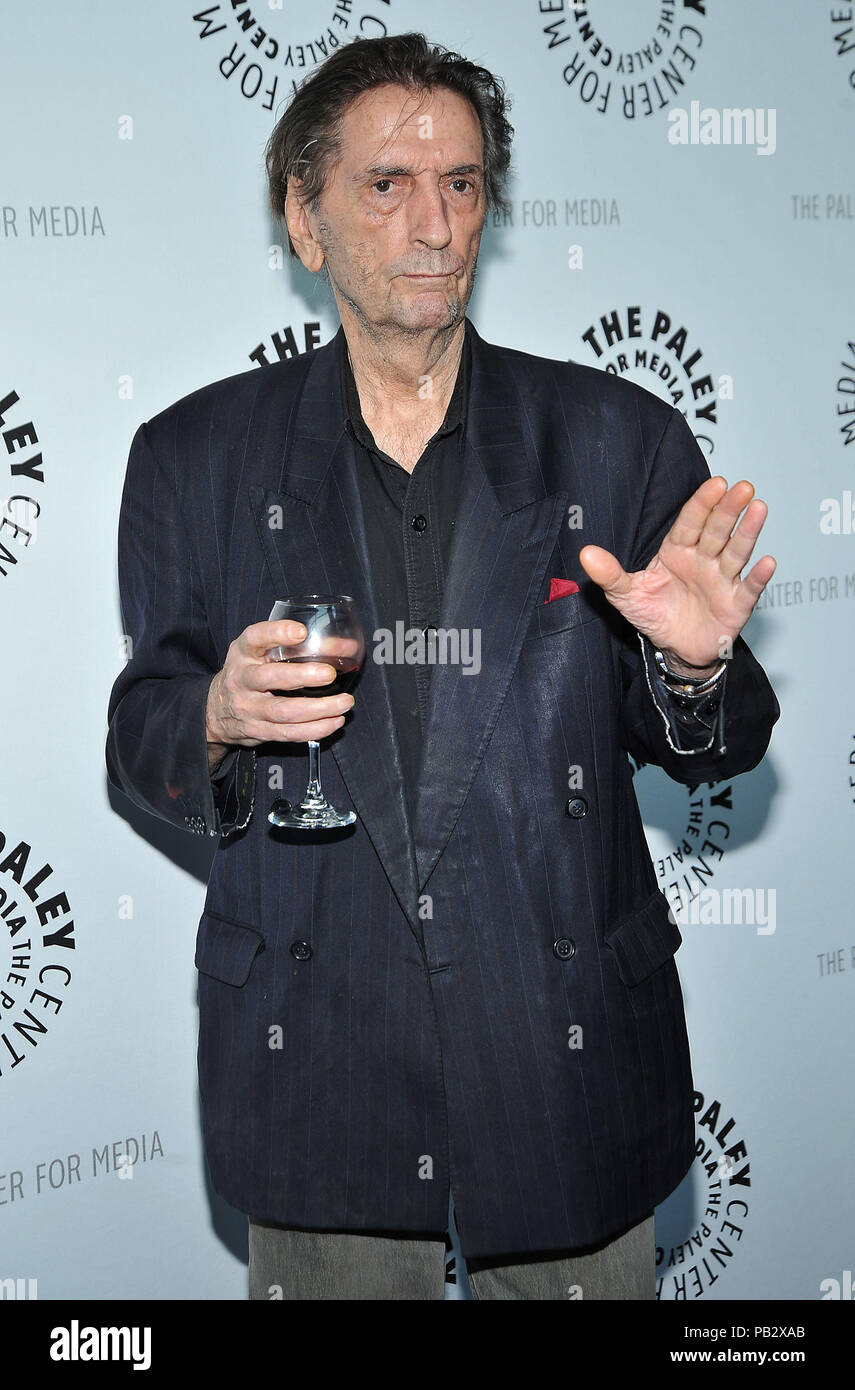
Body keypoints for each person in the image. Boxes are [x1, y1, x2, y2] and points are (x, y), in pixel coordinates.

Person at [105, 31, 780, 1300]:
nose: (434, 224)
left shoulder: (617, 438)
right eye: (387, 185)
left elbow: (723, 728)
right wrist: (214, 714)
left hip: (564, 1066)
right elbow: (142, 722)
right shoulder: (193, 457)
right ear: (304, 221)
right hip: (320, 1064)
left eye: (462, 186)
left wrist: (691, 672)